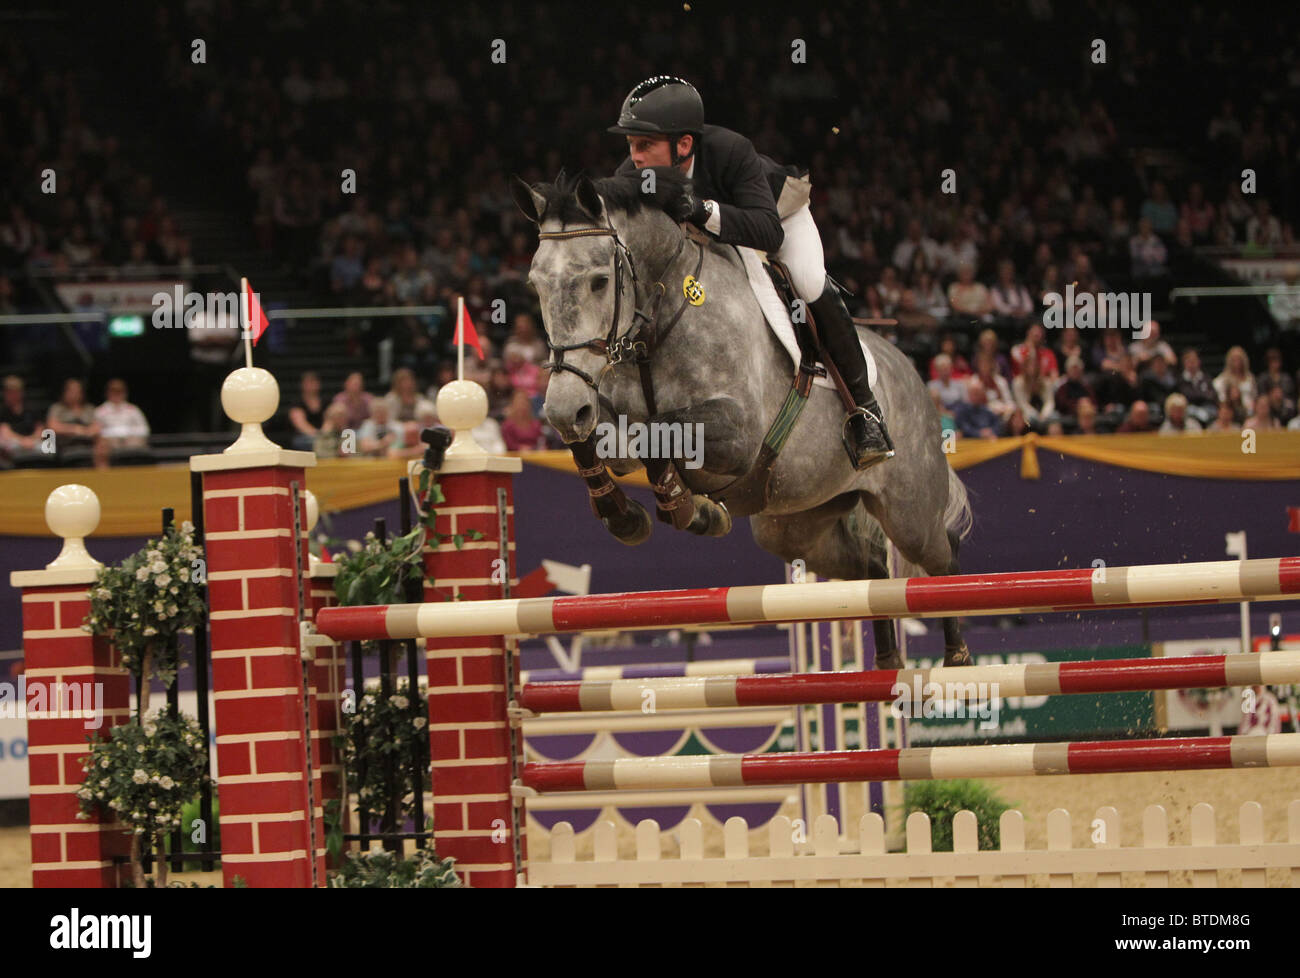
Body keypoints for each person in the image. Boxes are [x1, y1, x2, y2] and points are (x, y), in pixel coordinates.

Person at [609, 76, 892, 469]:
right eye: (631, 145)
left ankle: (866, 412)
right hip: (715, 239)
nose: (635, 157)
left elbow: (767, 231)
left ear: (684, 144)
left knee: (808, 281)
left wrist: (703, 211)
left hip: (777, 217)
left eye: (644, 145)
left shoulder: (731, 150)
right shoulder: (633, 174)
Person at [92, 378, 151, 468]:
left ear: (125, 393)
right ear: (107, 393)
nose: (116, 394)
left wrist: (127, 433)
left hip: (131, 442)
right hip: (110, 443)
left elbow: (144, 429)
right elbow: (96, 431)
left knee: (137, 442)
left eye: (119, 391)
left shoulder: (133, 410)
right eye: (114, 391)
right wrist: (114, 434)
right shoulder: (100, 411)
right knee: (101, 444)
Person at [46, 378, 101, 467]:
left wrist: (85, 431)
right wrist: (74, 429)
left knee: (102, 445)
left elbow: (97, 428)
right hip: (65, 445)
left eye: (77, 391)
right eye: (71, 391)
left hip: (87, 443)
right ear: (65, 392)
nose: (74, 394)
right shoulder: (57, 408)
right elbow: (52, 427)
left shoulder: (89, 408)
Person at [289, 371, 326, 452]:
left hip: (323, 436)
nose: (311, 385)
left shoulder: (325, 401)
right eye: (309, 382)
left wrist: (324, 434)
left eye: (314, 382)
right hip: (305, 437)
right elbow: (301, 424)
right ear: (302, 385)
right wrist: (317, 435)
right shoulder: (297, 403)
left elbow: (330, 421)